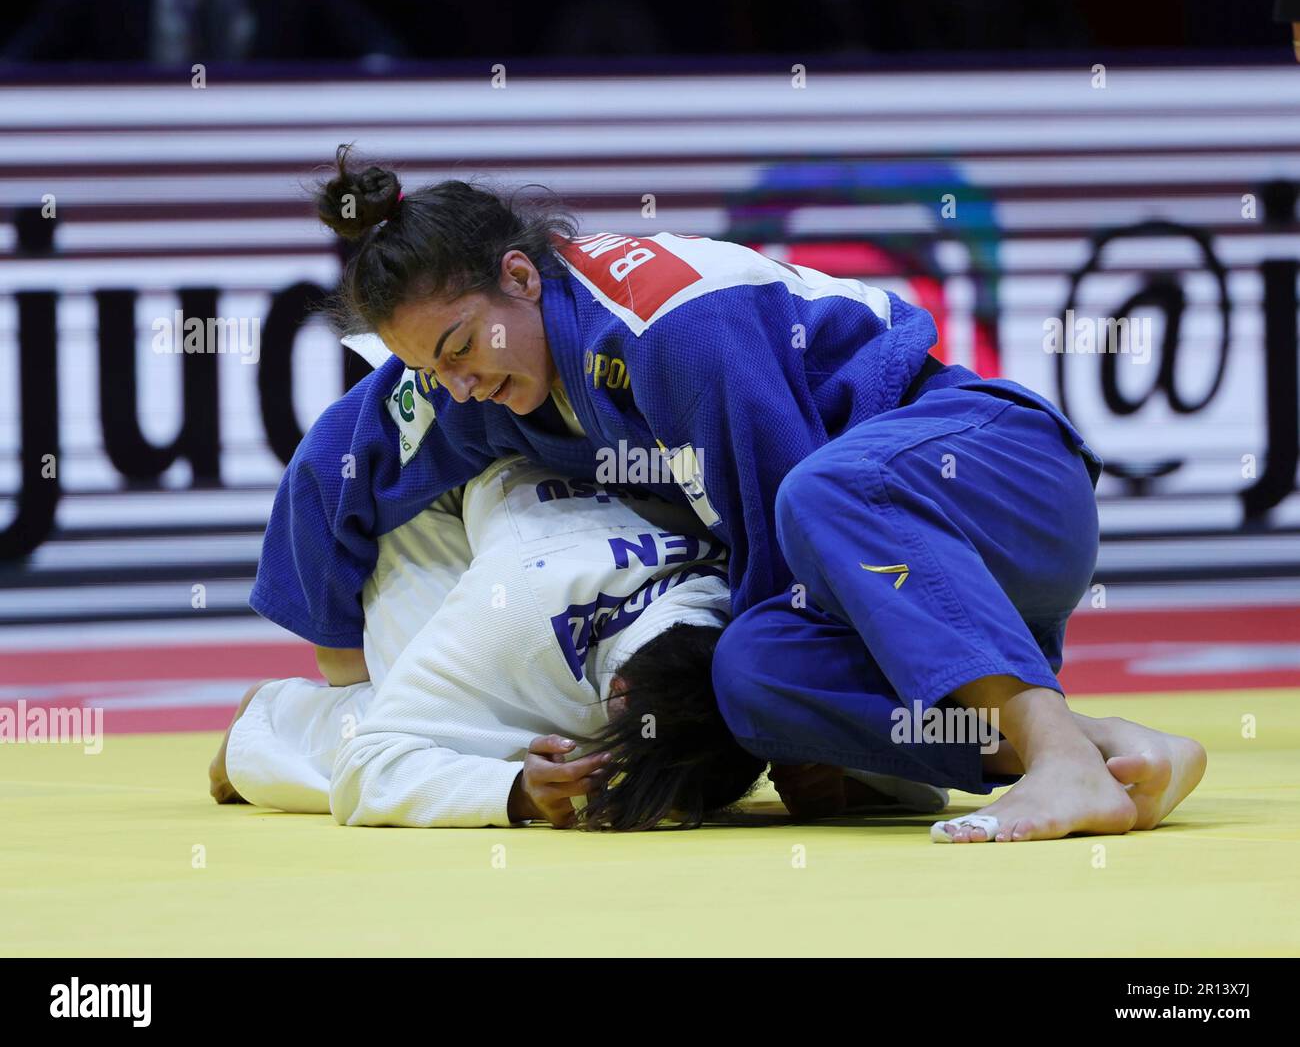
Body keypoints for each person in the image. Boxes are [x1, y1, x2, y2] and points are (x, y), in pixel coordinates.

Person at [250, 145, 1205, 843]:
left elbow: (789, 528)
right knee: (750, 677)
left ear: (518, 276)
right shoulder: (474, 377)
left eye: (459, 350)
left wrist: (811, 747)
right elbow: (335, 464)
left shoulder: (671, 330)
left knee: (820, 497)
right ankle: (1111, 749)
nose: (455, 384)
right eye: (430, 368)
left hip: (998, 473)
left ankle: (1062, 763)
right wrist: (355, 690)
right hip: (901, 569)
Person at [217, 448, 771, 829]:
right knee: (541, 761)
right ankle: (273, 722)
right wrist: (517, 792)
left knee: (602, 758)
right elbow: (370, 764)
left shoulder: (750, 609)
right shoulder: (516, 612)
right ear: (621, 694)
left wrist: (818, 766)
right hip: (429, 500)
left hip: (552, 485)